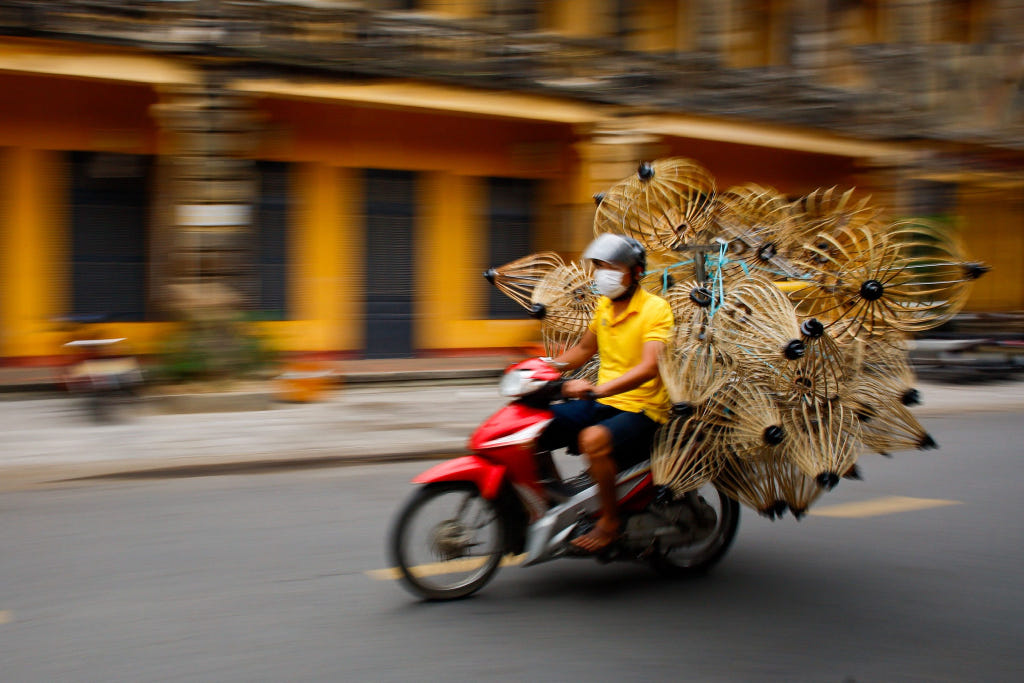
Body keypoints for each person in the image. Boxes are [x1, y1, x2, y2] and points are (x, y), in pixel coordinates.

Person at [539, 233, 674, 553]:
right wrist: (543, 368)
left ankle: (610, 523)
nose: (603, 274)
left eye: (612, 267)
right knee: (535, 424)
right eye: (599, 266)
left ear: (636, 272)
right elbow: (584, 350)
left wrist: (597, 389)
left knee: (593, 440)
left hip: (644, 407)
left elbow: (649, 368)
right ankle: (557, 503)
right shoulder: (604, 306)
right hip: (604, 400)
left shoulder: (656, 309)